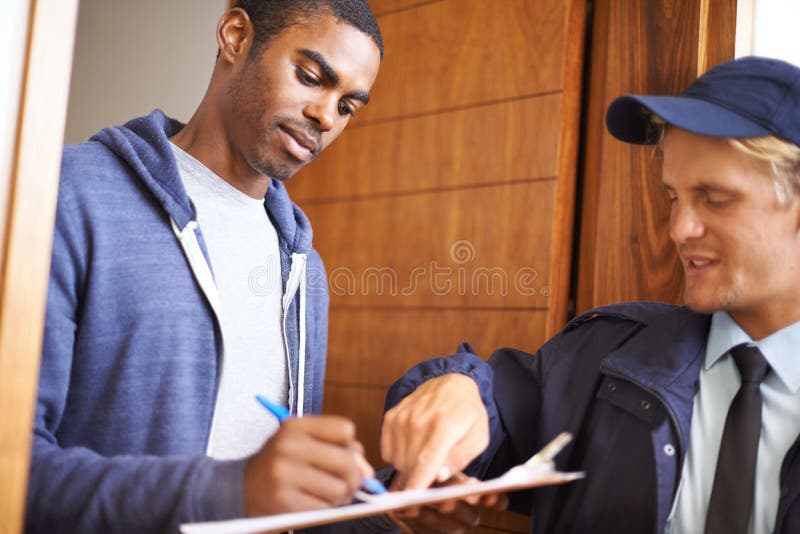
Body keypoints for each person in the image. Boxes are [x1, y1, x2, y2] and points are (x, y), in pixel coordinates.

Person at [380, 56, 800, 534]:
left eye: (715, 199)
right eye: (673, 198)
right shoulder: (606, 354)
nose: (679, 230)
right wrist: (458, 388)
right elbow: (490, 405)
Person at [27, 1, 384, 532]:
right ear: (236, 36)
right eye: (311, 77)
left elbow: (281, 493)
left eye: (348, 106)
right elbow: (14, 469)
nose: (327, 117)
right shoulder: (65, 194)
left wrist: (389, 505)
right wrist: (230, 491)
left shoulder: (305, 270)